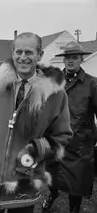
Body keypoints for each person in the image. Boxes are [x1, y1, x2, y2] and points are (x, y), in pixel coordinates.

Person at [0, 32, 73, 213]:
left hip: (25, 182)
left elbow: (63, 135)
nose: (23, 57)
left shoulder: (55, 95)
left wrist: (35, 150)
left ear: (40, 55)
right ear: (13, 53)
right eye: (19, 52)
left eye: (29, 52)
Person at [42, 41, 97, 213]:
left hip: (79, 145)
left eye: (75, 57)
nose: (71, 61)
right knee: (51, 176)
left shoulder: (92, 84)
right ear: (63, 60)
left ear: (81, 59)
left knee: (76, 183)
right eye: (67, 57)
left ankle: (74, 209)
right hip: (55, 141)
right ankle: (52, 194)